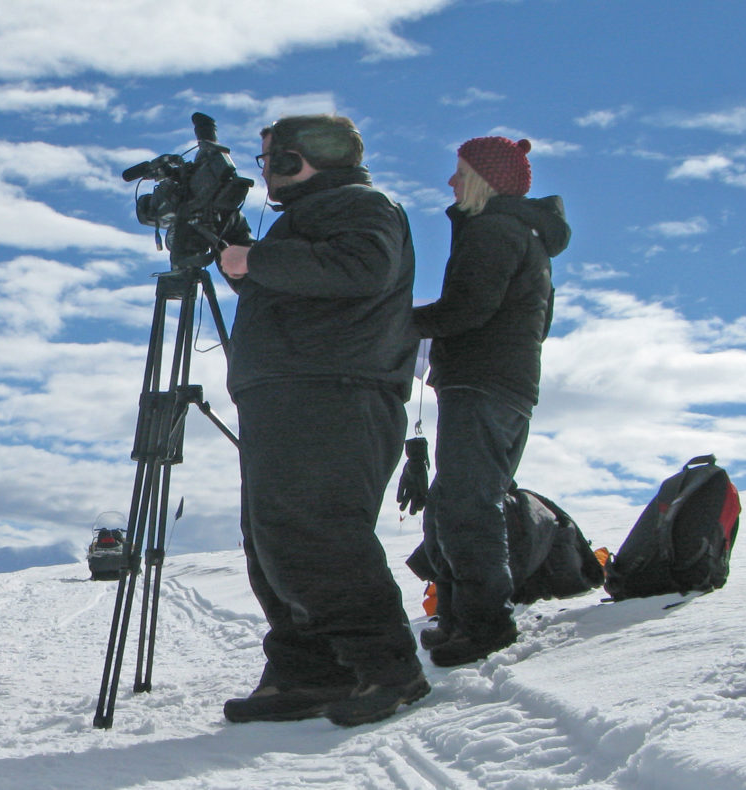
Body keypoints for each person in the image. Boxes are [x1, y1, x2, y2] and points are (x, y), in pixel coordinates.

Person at [213, 114, 427, 726]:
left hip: (334, 393)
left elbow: (363, 268)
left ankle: (389, 669)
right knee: (274, 539)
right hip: (296, 392)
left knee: (319, 534)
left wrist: (257, 260)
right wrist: (236, 248)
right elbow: (297, 286)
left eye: (270, 159)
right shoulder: (313, 216)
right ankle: (310, 672)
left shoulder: (362, 205)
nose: (265, 173)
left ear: (299, 158)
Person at [409, 136, 570, 667]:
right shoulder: (526, 236)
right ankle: (460, 617)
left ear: (484, 180)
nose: (451, 182)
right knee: (458, 500)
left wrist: (396, 321)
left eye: (460, 172)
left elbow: (467, 309)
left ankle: (485, 624)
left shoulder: (494, 230)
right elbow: (533, 322)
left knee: (467, 505)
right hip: (508, 386)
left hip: (481, 384)